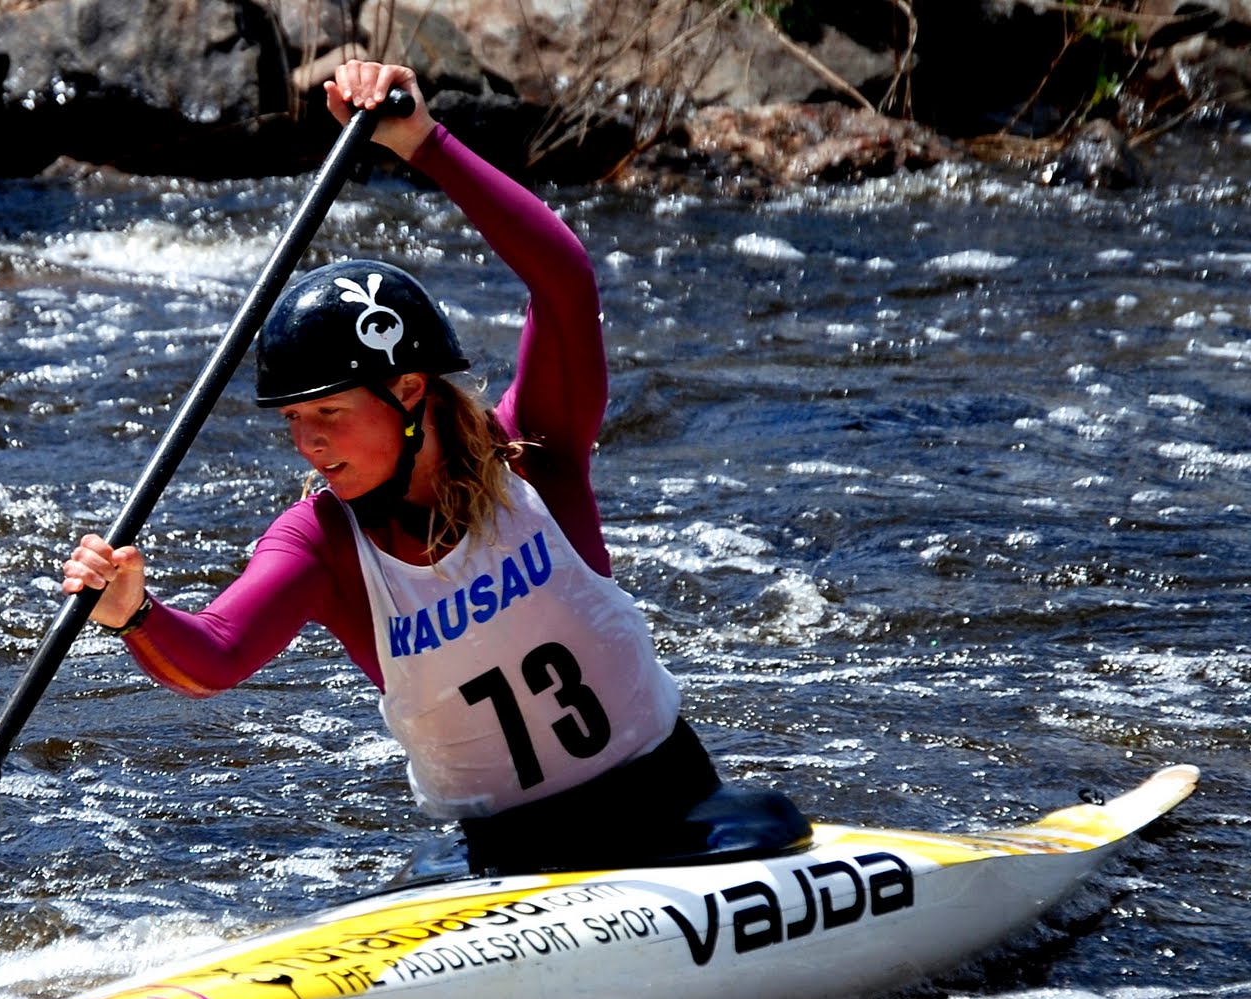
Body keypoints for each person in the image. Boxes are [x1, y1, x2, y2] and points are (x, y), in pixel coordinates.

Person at [61, 60, 808, 877]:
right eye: (294, 420)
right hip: (507, 861)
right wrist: (134, 612)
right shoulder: (321, 546)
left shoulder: (535, 457)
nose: (307, 444)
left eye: (330, 413)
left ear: (409, 389)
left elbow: (564, 282)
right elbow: (213, 658)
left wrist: (425, 143)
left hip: (670, 807)